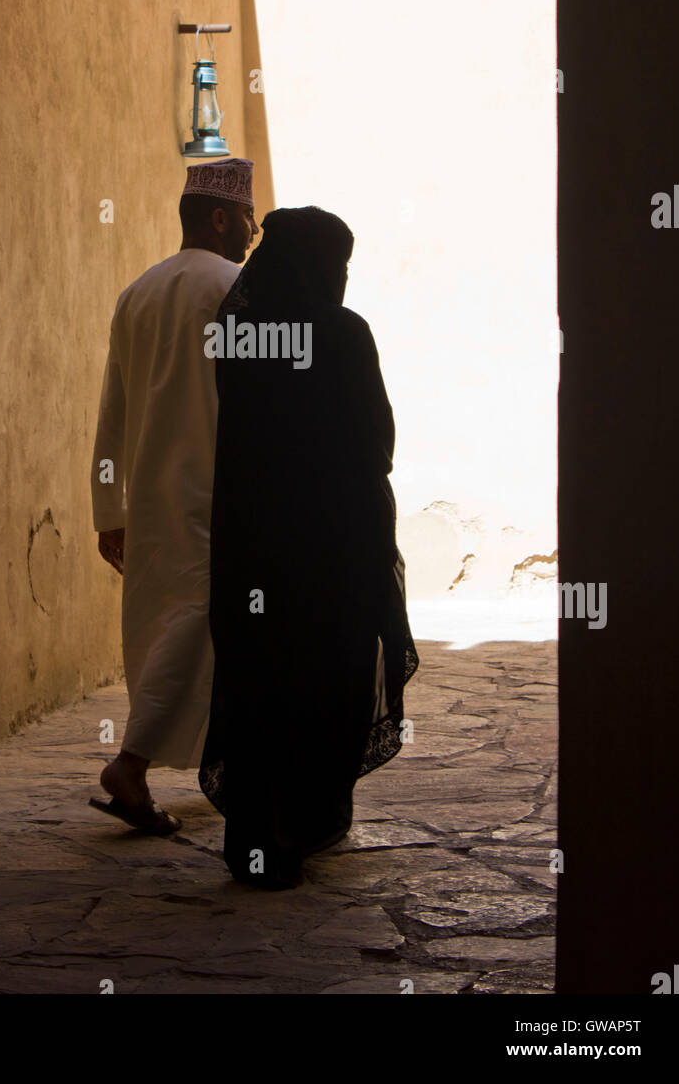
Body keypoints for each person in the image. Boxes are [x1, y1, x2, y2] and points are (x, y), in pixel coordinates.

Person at [199, 206, 419, 888]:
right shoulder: (344, 333)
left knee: (260, 679)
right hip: (332, 546)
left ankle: (257, 838)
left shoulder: (232, 333)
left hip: (253, 543)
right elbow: (374, 441)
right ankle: (305, 819)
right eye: (339, 265)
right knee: (326, 677)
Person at [90, 157, 259, 834]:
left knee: (171, 628)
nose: (252, 230)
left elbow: (112, 412)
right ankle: (130, 762)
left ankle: (225, 762)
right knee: (196, 626)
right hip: (218, 494)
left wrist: (109, 512)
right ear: (220, 217)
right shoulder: (240, 288)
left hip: (153, 501)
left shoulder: (138, 292)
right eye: (246, 217)